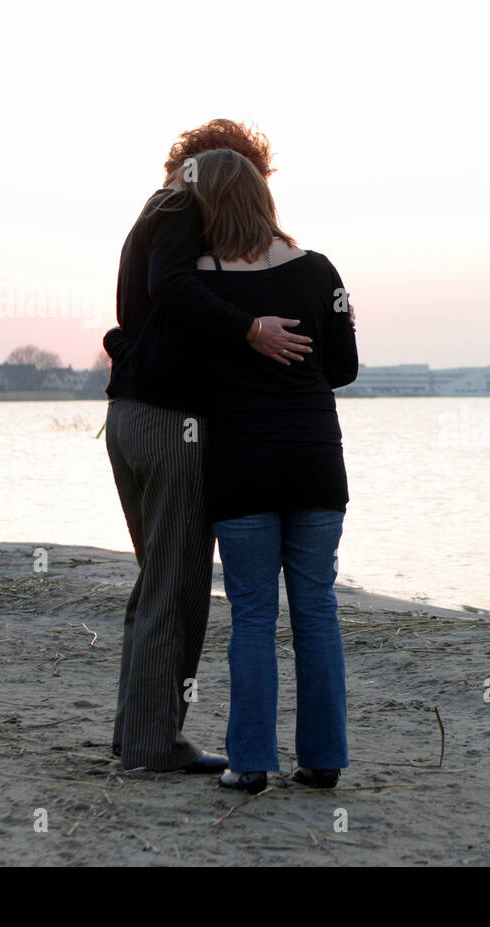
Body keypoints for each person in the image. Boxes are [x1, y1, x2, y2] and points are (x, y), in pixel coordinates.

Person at [103, 120, 314, 773]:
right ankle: (151, 746)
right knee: (180, 587)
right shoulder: (180, 206)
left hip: (132, 415)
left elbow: (159, 303)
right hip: (169, 423)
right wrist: (249, 328)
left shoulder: (154, 210)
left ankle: (135, 736)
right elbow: (171, 287)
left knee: (158, 582)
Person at [180, 148, 357, 794]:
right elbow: (343, 367)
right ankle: (324, 760)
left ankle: (250, 763)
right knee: (316, 606)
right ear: (263, 200)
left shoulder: (199, 281)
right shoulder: (320, 270)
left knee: (252, 612)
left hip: (242, 464)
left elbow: (189, 372)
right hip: (314, 456)